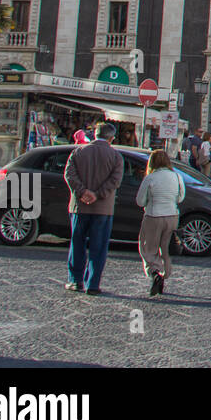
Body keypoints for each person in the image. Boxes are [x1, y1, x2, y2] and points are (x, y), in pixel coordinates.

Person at [62, 122, 124, 295]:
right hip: (103, 208)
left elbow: (69, 174)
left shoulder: (78, 152)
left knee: (77, 244)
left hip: (79, 206)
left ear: (94, 134)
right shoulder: (116, 156)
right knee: (98, 247)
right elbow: (115, 181)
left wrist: (83, 191)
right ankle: (93, 284)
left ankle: (75, 281)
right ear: (112, 138)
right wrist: (98, 194)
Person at [135, 149, 185, 296]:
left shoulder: (150, 178)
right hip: (172, 216)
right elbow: (180, 197)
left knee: (148, 248)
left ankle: (155, 272)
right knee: (166, 248)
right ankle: (166, 272)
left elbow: (140, 201)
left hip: (153, 215)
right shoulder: (177, 176)